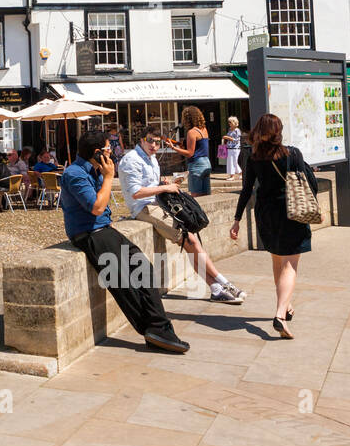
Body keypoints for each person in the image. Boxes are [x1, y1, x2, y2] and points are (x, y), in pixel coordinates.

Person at [61, 130, 189, 354]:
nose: (112, 149)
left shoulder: (94, 169)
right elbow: (97, 207)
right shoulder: (74, 174)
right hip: (89, 235)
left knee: (144, 269)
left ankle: (159, 328)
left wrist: (104, 174)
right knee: (123, 284)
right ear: (97, 152)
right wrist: (109, 177)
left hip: (104, 229)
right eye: (108, 146)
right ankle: (154, 331)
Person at [119, 126, 246, 303]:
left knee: (192, 242)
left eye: (157, 142)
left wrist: (164, 183)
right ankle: (223, 282)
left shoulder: (152, 158)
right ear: (141, 140)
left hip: (158, 203)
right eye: (150, 141)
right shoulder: (131, 160)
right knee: (190, 241)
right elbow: (135, 193)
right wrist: (165, 187)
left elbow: (150, 184)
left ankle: (216, 287)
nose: (154, 145)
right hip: (143, 208)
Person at [232, 114, 317, 338]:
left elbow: (246, 189)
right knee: (290, 264)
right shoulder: (292, 153)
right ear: (279, 130)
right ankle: (280, 315)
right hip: (291, 212)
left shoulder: (253, 157)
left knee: (277, 260)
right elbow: (309, 183)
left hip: (265, 214)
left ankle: (285, 304)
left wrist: (237, 219)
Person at [166, 106, 212, 196]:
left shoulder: (191, 132)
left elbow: (190, 153)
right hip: (206, 162)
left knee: (196, 196)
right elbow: (200, 147)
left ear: (187, 119)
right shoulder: (204, 129)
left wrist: (174, 148)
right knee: (206, 196)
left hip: (196, 165)